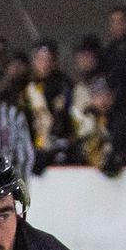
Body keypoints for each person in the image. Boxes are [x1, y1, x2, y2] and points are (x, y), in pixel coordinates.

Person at [22, 40, 76, 172]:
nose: (44, 64)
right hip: (32, 147)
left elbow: (67, 116)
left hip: (58, 146)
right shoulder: (26, 86)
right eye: (40, 60)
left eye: (48, 60)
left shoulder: (64, 85)